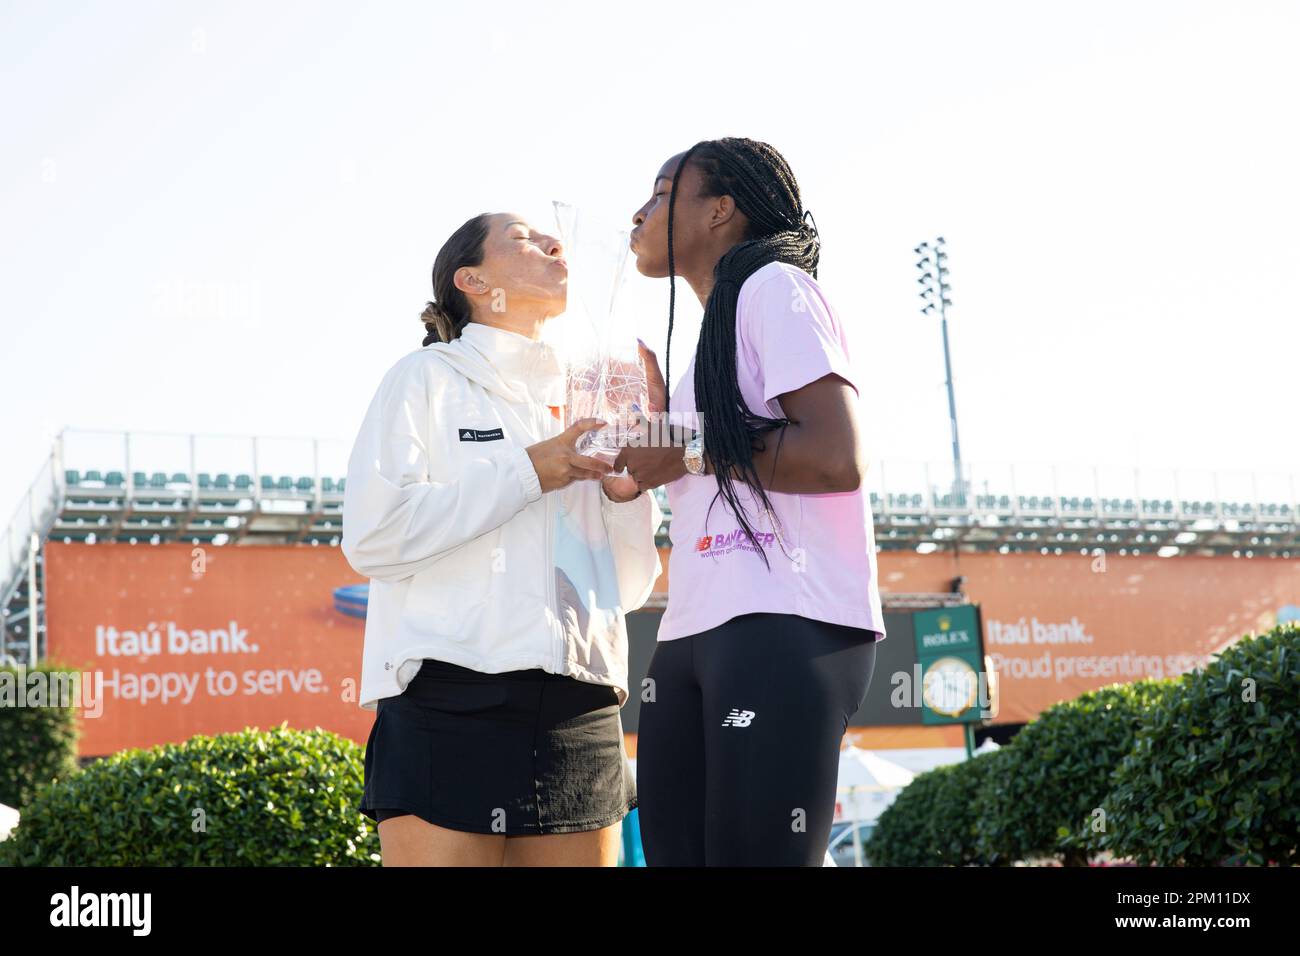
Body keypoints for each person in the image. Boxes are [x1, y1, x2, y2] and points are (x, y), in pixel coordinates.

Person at [341, 211, 663, 866]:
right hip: (446, 699)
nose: (553, 242)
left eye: (553, 234)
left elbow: (628, 589)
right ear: (472, 279)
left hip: (581, 704)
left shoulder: (590, 398)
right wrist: (529, 471)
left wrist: (626, 494)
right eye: (521, 237)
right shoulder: (424, 379)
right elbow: (373, 535)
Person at [614, 138, 886, 866]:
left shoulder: (777, 288)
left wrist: (689, 443)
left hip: (786, 617)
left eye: (664, 193)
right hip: (694, 625)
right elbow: (688, 473)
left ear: (721, 210)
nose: (638, 213)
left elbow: (837, 457)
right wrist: (641, 442)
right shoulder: (704, 345)